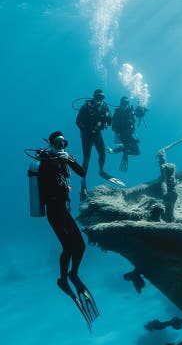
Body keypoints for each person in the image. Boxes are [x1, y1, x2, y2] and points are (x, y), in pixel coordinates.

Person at [37, 131, 99, 330]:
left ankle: (72, 274)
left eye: (63, 142)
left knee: (78, 246)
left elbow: (81, 172)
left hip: (63, 208)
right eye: (57, 143)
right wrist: (54, 157)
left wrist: (69, 159)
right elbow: (45, 175)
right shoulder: (45, 158)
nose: (61, 145)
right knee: (69, 246)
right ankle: (63, 279)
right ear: (51, 143)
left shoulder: (64, 157)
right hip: (54, 209)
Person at [75, 88, 123, 199]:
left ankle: (101, 171)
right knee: (86, 159)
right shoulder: (86, 106)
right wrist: (87, 129)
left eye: (101, 97)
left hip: (97, 134)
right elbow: (77, 121)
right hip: (87, 135)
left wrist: (109, 116)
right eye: (98, 97)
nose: (99, 99)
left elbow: (109, 123)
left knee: (103, 153)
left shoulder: (105, 107)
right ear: (94, 96)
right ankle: (83, 183)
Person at [108, 96, 144, 172]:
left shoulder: (130, 111)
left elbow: (138, 114)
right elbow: (113, 125)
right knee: (130, 150)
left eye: (126, 103)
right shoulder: (117, 112)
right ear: (121, 103)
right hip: (121, 135)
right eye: (123, 103)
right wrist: (118, 133)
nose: (125, 104)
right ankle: (123, 150)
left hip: (130, 134)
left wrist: (142, 109)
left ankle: (123, 150)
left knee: (137, 152)